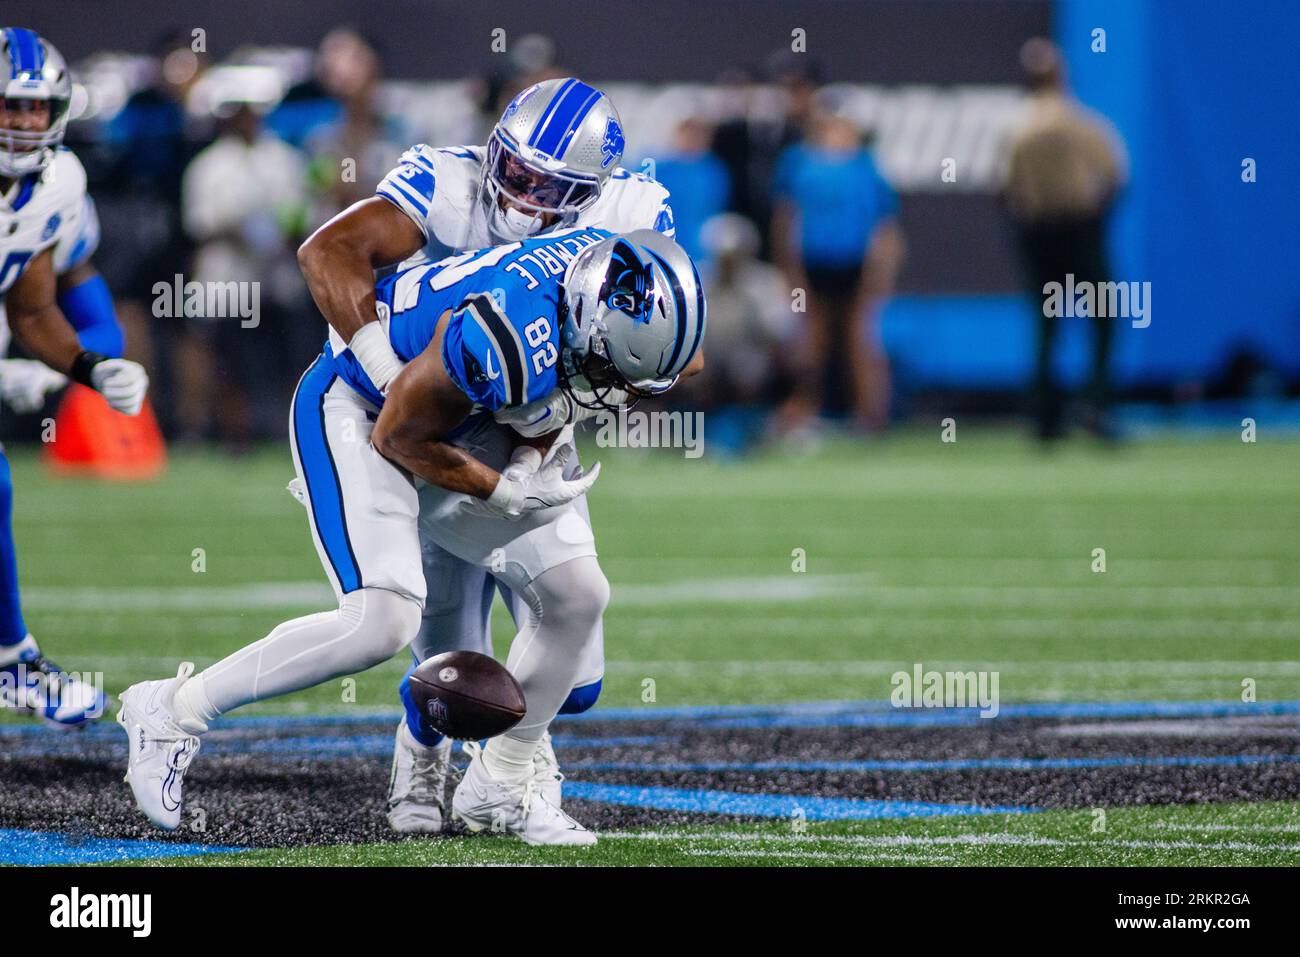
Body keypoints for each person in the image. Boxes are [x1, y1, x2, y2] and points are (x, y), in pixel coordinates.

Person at [116, 227, 705, 846]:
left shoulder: (606, 288)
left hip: (462, 414)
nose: (627, 395)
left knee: (578, 595)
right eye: (617, 368)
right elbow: (398, 436)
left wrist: (530, 463)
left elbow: (556, 399)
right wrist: (503, 492)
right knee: (382, 621)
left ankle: (499, 785)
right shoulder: (508, 332)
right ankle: (173, 709)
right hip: (363, 409)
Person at [295, 77, 695, 834]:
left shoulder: (632, 212)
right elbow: (331, 252)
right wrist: (386, 370)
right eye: (514, 169)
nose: (521, 194)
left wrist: (574, 407)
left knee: (575, 673)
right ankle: (440, 755)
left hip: (539, 428)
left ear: (593, 192)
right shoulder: (450, 180)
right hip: (431, 428)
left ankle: (503, 767)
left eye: (550, 186)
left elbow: (678, 344)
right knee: (451, 656)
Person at [0, 28, 151, 724]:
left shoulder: (58, 184)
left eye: (37, 108)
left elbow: (31, 306)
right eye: (10, 105)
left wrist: (87, 366)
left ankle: (11, 663)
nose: (25, 123)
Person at [1003, 37, 1127, 441]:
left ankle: (1044, 418)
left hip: (1041, 234)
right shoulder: (1081, 123)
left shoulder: (1019, 128)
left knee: (1047, 325)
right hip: (1080, 230)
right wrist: (1093, 221)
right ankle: (1094, 404)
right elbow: (1115, 178)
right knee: (1103, 320)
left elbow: (1006, 192)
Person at [771, 109, 904, 435]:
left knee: (860, 340)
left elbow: (886, 228)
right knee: (811, 341)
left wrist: (882, 273)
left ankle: (871, 417)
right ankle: (804, 414)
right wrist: (790, 270)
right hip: (813, 264)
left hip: (855, 266)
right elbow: (785, 220)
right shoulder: (798, 163)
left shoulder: (866, 167)